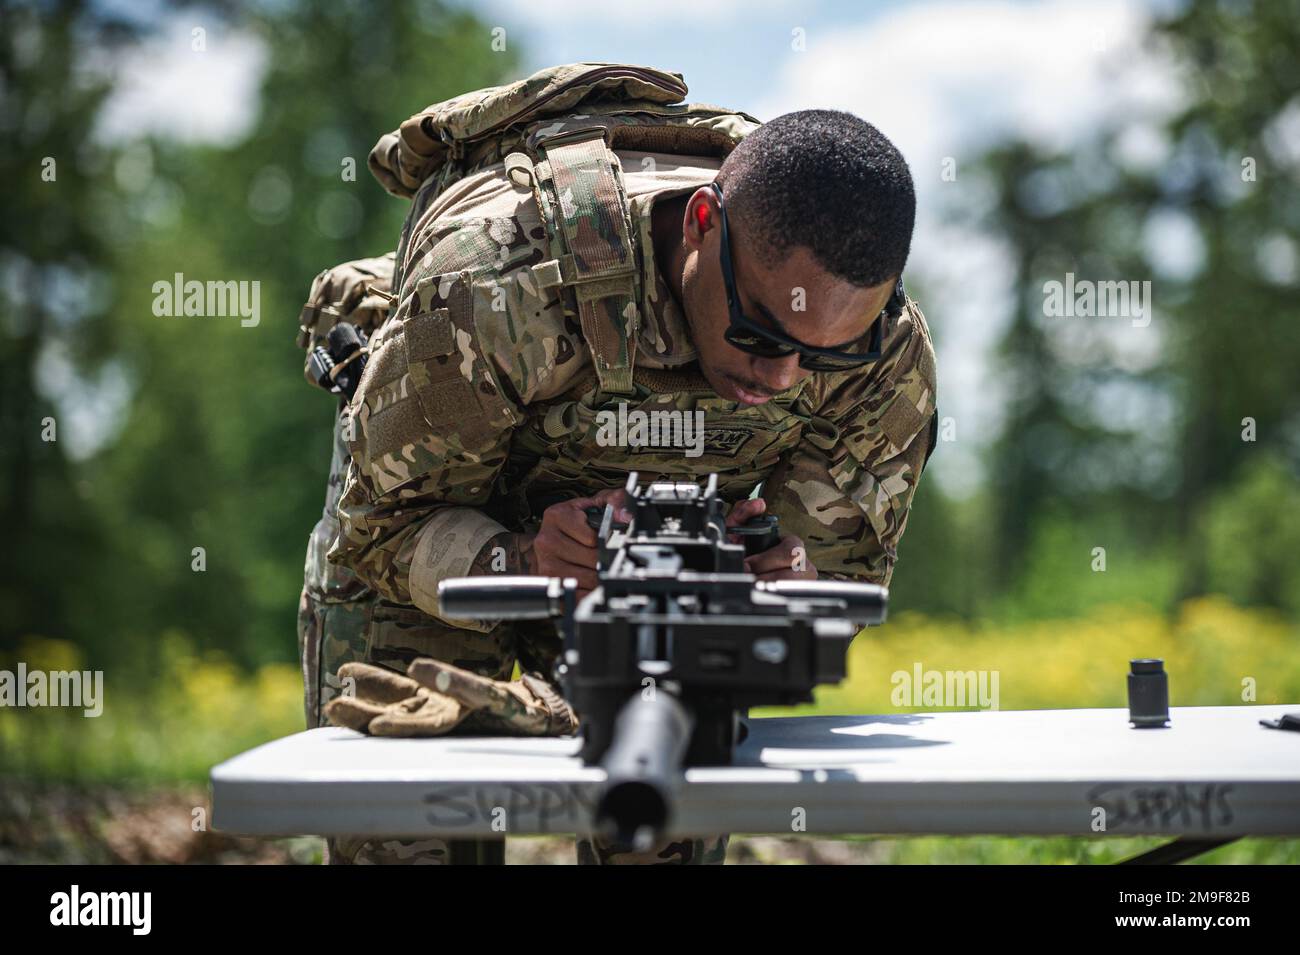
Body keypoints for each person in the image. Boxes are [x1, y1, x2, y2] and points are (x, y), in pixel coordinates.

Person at [321, 96, 937, 864]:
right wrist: (522, 559)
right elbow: (378, 526)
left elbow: (836, 584)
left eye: (822, 354)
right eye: (760, 333)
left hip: (672, 613)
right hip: (448, 534)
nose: (781, 378)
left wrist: (771, 591)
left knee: (663, 821)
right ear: (703, 225)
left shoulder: (885, 365)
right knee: (406, 836)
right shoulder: (495, 288)